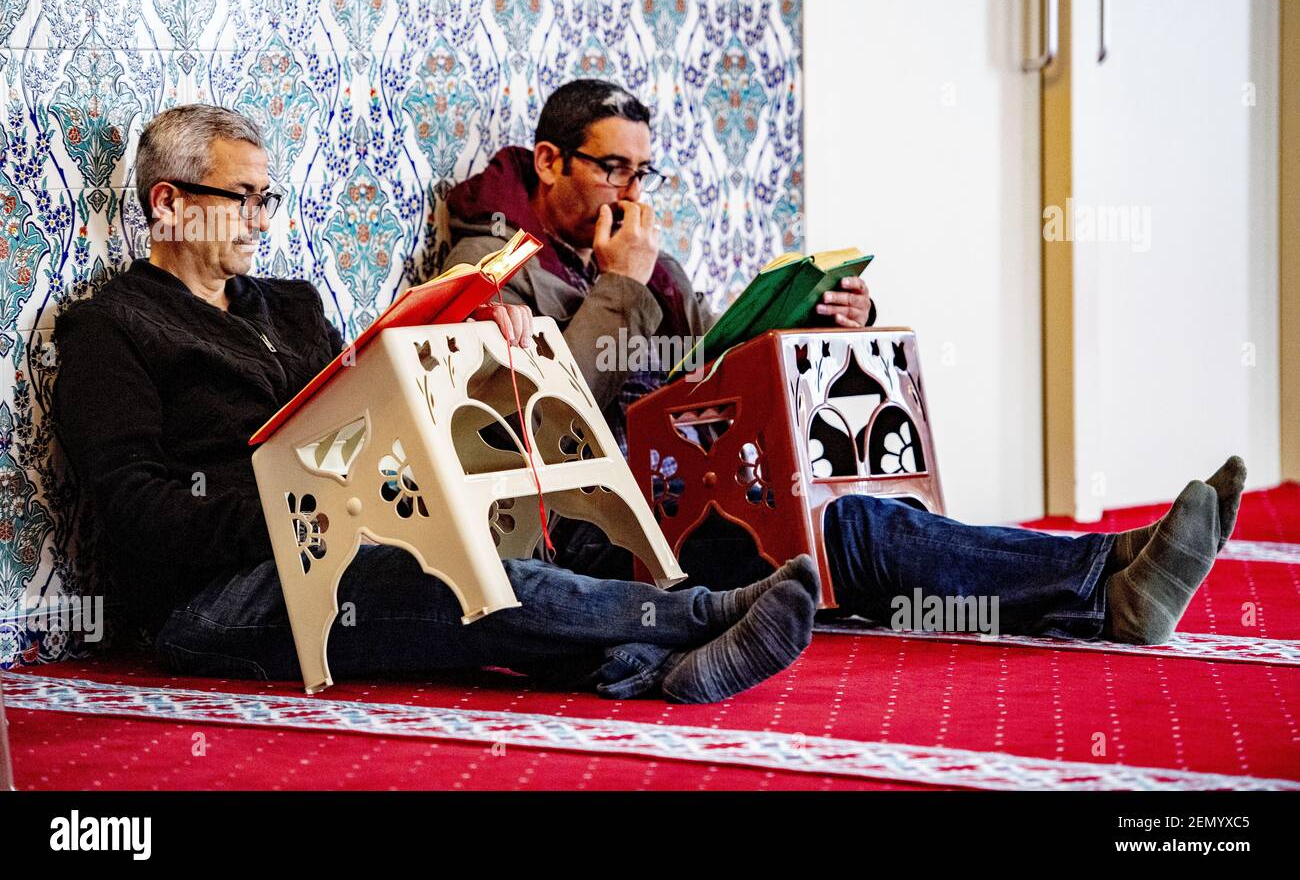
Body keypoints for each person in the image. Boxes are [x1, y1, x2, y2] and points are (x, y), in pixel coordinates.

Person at [50, 104, 824, 705]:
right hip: (216, 598)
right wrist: (307, 514)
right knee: (459, 583)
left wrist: (474, 331)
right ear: (170, 201)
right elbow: (136, 509)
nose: (262, 219)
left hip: (354, 535)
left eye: (267, 197)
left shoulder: (290, 306)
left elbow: (363, 406)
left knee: (512, 542)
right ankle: (704, 619)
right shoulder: (112, 328)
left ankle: (640, 665)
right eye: (244, 198)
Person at [443, 79, 1247, 645]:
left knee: (857, 526)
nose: (633, 192)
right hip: (609, 524)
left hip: (701, 479)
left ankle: (1117, 573)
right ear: (549, 162)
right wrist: (618, 285)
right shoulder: (491, 263)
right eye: (612, 168)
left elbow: (719, 359)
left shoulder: (639, 254)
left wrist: (828, 316)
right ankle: (1106, 580)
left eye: (643, 171)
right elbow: (546, 411)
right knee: (848, 533)